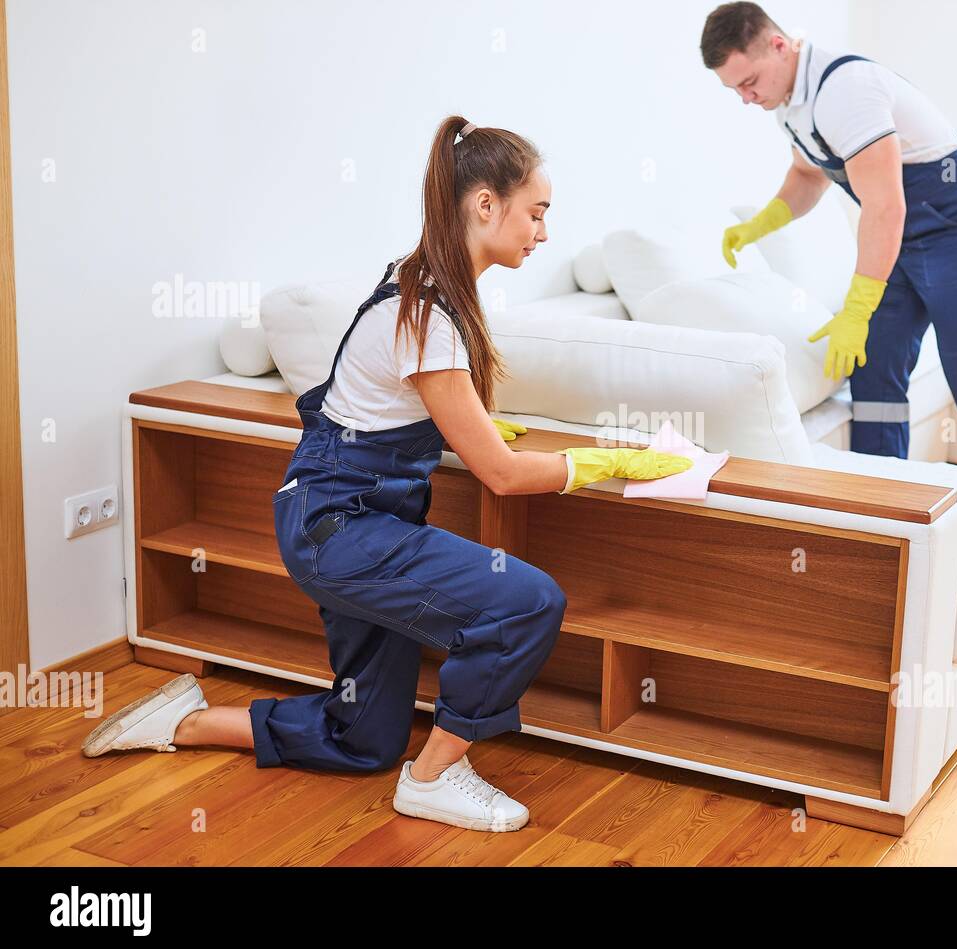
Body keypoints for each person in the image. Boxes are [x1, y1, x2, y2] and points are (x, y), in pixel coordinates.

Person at [81, 115, 692, 833]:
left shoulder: (422, 280)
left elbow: (382, 400)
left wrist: (459, 416)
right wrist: (607, 459)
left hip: (339, 521)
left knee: (362, 736)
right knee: (526, 603)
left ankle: (187, 722)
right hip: (341, 530)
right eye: (538, 212)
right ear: (485, 205)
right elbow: (499, 475)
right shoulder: (428, 311)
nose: (545, 233)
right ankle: (433, 777)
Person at [701, 2, 957, 471]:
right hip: (901, 235)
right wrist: (759, 224)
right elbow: (808, 176)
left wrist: (857, 309)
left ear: (779, 46)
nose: (746, 98)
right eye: (735, 89)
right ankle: (883, 505)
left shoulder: (844, 90)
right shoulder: (790, 106)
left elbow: (885, 206)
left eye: (749, 82)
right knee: (873, 360)